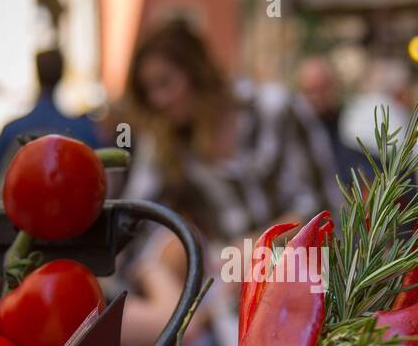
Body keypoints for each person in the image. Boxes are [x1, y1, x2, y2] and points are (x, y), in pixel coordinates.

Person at [121, 18, 339, 241]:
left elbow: (322, 209)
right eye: (148, 90)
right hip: (231, 272)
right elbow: (136, 217)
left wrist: (257, 247)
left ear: (197, 71)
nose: (157, 100)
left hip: (307, 267)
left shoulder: (276, 110)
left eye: (165, 83)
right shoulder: (166, 145)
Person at [0, 48, 103, 199]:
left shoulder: (11, 130)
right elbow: (102, 181)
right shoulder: (84, 130)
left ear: (36, 73)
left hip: (17, 217)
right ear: (61, 75)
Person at [295, 54, 368, 189]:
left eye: (323, 88)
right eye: (310, 91)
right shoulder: (295, 132)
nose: (317, 97)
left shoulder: (350, 122)